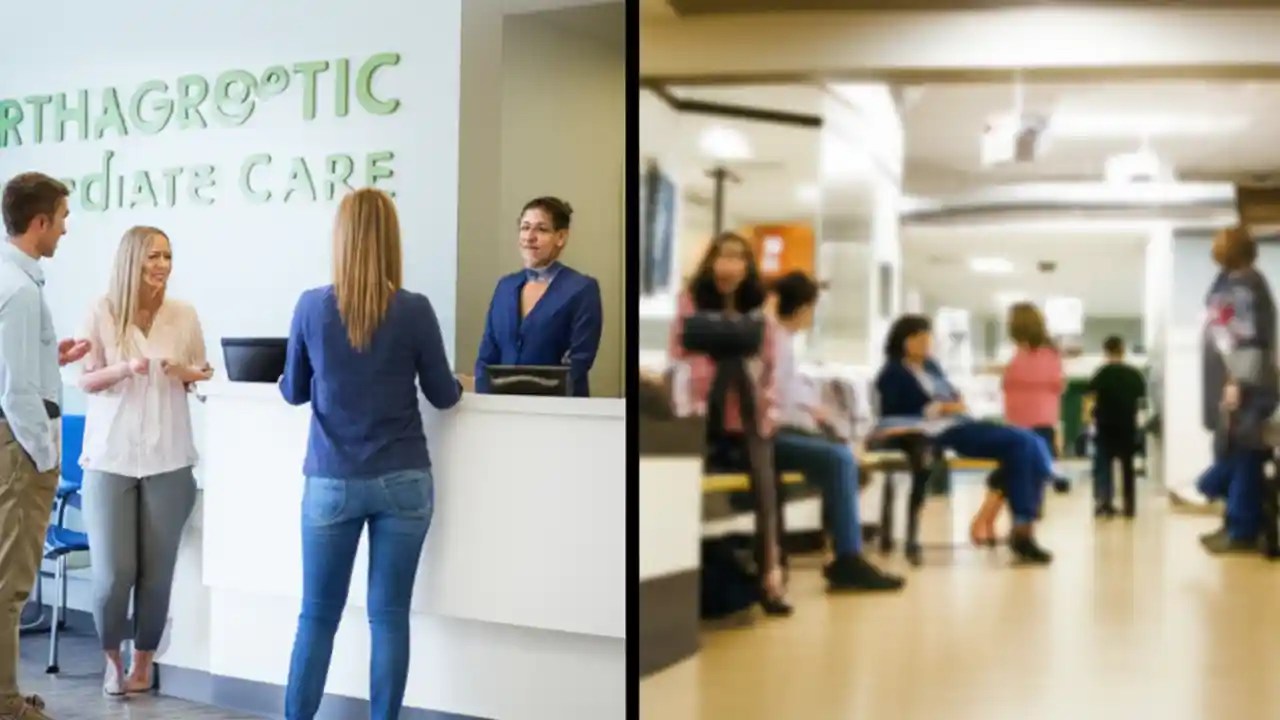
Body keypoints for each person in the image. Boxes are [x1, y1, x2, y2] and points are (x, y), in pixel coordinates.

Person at [279, 188, 464, 719]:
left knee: (317, 616)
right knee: (389, 617)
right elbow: (443, 396)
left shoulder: (312, 306)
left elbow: (293, 390)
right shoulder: (414, 310)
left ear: (340, 239)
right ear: (390, 240)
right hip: (404, 480)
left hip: (332, 481)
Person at [76, 226, 213, 697]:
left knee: (158, 573)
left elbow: (203, 373)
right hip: (109, 458)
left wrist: (186, 373)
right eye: (152, 256)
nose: (162, 265)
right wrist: (124, 369)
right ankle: (110, 659)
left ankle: (143, 662)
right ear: (131, 260)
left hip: (169, 458)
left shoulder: (183, 315)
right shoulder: (101, 311)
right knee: (114, 574)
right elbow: (85, 380)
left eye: (167, 256)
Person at [0, 172, 91, 720]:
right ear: (39, 223)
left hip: (15, 442)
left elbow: (13, 369)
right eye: (61, 218)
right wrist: (44, 453)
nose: (64, 228)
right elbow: (14, 391)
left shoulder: (15, 283)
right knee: (10, 584)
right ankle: (6, 700)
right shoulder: (17, 289)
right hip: (20, 449)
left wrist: (47, 358)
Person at [668, 232, 791, 615]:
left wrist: (764, 406)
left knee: (767, 489)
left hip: (749, 417)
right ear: (711, 261)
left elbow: (770, 369)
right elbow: (679, 357)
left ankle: (771, 578)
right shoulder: (690, 303)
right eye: (723, 256)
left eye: (738, 257)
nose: (730, 264)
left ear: (747, 266)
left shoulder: (761, 313)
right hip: (701, 415)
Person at [875, 315, 1054, 564]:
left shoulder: (931, 367)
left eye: (928, 336)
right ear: (903, 341)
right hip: (938, 430)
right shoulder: (892, 374)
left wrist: (954, 402)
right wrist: (939, 408)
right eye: (919, 337)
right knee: (1024, 443)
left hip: (960, 421)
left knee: (1027, 443)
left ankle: (1023, 528)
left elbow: (949, 393)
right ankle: (1026, 524)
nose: (926, 342)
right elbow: (893, 414)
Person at [766, 271, 902, 591]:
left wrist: (819, 419)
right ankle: (846, 558)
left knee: (848, 462)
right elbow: (780, 405)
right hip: (770, 435)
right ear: (802, 309)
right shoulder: (772, 342)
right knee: (840, 459)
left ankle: (840, 551)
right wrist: (820, 425)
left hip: (783, 429)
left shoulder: (782, 342)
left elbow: (792, 396)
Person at [1194, 226, 1278, 554]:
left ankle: (1242, 528)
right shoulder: (1231, 281)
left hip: (1244, 382)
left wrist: (1235, 381)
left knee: (1244, 451)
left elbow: (1243, 337)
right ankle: (1235, 523)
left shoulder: (1244, 283)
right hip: (1234, 381)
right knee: (1231, 449)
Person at [475, 197, 603, 397]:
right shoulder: (505, 286)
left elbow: (578, 361)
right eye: (525, 228)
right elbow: (486, 357)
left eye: (541, 229)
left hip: (558, 412)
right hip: (503, 412)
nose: (529, 236)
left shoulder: (581, 289)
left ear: (561, 237)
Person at [969, 302, 1065, 545]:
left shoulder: (1021, 356)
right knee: (1023, 477)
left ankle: (995, 524)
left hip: (1019, 423)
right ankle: (1007, 527)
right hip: (1041, 422)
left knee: (1013, 474)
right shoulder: (1050, 354)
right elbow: (1058, 386)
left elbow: (1011, 384)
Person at [1086, 335, 1146, 518]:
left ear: (1106, 352)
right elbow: (1142, 402)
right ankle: (1129, 507)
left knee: (1103, 466)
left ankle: (1104, 503)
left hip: (1105, 427)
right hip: (1127, 427)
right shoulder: (1135, 375)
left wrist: (1090, 420)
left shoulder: (1101, 374)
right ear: (1122, 349)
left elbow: (1090, 398)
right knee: (1128, 468)